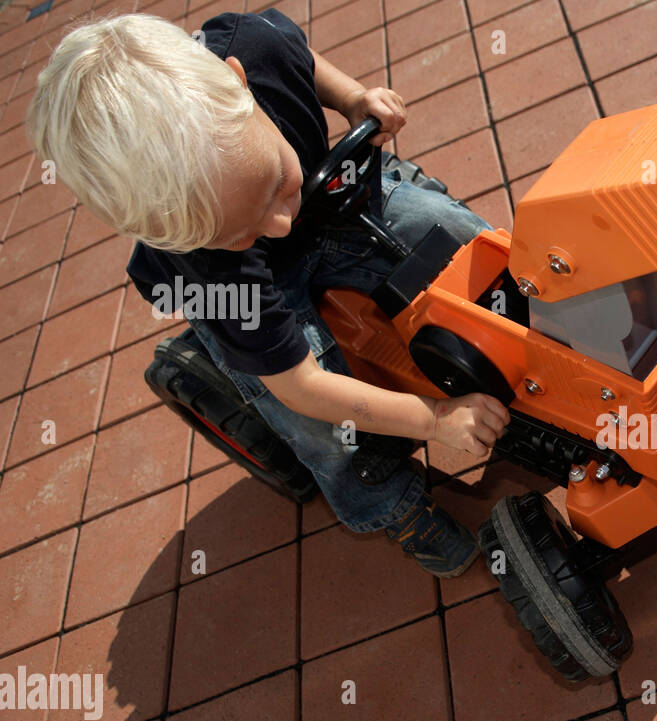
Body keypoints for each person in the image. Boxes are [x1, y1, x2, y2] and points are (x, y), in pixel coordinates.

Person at [25, 9, 507, 577]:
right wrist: (434, 420)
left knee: (454, 233)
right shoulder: (205, 264)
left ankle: (518, 332)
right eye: (241, 229)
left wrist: (353, 99)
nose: (278, 223)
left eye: (274, 184)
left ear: (239, 79)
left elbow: (301, 57)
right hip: (252, 286)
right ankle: (389, 501)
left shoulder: (254, 45)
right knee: (317, 423)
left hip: (331, 203)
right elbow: (304, 387)